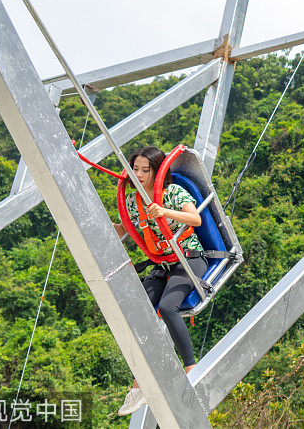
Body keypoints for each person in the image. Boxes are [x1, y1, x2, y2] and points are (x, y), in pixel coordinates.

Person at [116, 146, 206, 416]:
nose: (140, 175)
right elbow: (124, 228)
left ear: (157, 172)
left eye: (146, 170)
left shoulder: (173, 193)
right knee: (137, 311)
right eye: (136, 169)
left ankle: (191, 368)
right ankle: (139, 384)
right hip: (162, 264)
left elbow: (195, 218)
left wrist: (165, 211)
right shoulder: (133, 201)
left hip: (188, 259)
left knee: (167, 307)